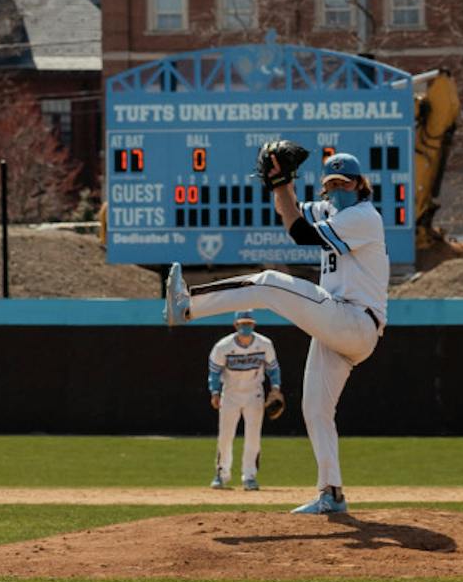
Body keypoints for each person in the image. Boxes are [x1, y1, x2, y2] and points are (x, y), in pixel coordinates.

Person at [165, 149, 388, 515]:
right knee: (315, 410)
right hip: (339, 327)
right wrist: (282, 184)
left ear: (360, 184)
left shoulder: (364, 216)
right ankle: (331, 494)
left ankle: (187, 305)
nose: (337, 188)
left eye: (344, 182)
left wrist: (283, 182)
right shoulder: (334, 210)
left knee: (267, 283)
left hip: (355, 321)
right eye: (331, 184)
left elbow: (301, 235)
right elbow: (292, 213)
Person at [207, 312, 282, 491]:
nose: (245, 327)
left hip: (254, 393)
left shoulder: (264, 344)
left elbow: (273, 368)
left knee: (253, 437)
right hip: (230, 394)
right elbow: (214, 371)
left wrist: (276, 389)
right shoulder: (223, 346)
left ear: (254, 325)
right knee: (225, 436)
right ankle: (221, 474)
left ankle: (249, 477)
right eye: (242, 323)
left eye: (249, 323)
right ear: (235, 325)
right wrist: (215, 392)